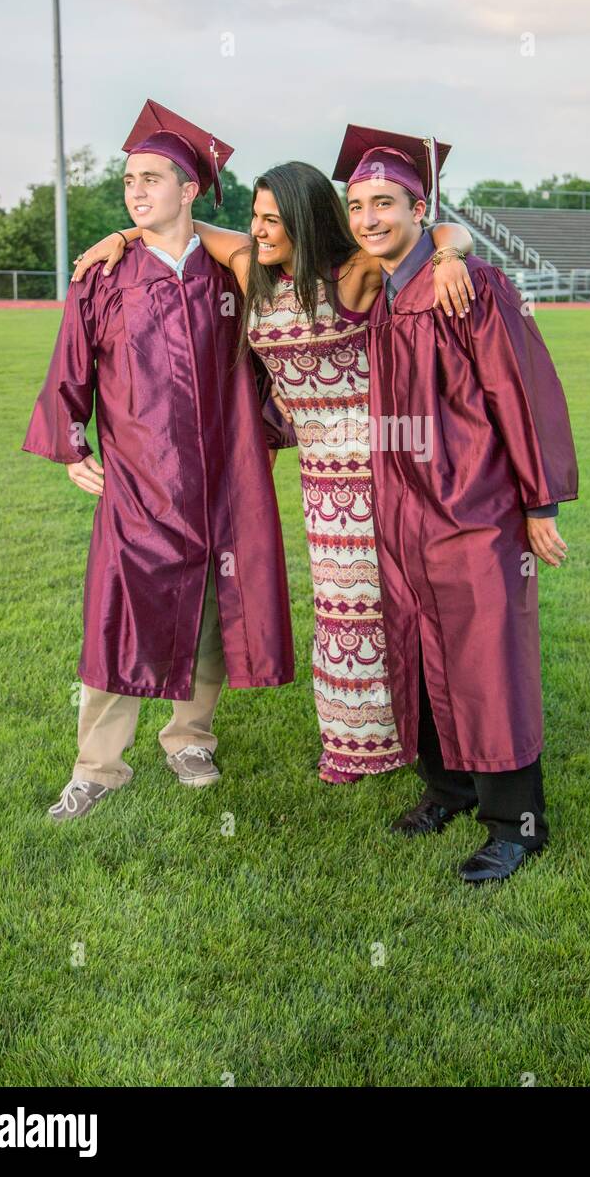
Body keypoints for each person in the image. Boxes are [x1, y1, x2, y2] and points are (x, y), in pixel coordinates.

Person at [72, 156, 475, 784]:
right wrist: (124, 235)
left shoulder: (353, 275)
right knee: (341, 615)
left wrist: (451, 255)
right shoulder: (251, 269)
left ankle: (435, 748)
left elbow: (438, 235)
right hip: (322, 481)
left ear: (307, 221)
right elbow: (196, 227)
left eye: (272, 220)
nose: (258, 231)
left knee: (393, 609)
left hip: (379, 469)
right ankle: (357, 746)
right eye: (255, 218)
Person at [23, 100, 294, 821]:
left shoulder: (235, 273)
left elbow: (277, 361)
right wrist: (70, 444)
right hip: (140, 480)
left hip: (224, 476)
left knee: (209, 608)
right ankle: (97, 766)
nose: (136, 193)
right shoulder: (105, 274)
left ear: (190, 189)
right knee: (117, 614)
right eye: (128, 183)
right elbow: (68, 367)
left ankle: (189, 737)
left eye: (151, 179)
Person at [334, 123, 579, 884]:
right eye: (357, 205)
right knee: (423, 644)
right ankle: (450, 788)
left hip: (473, 506)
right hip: (403, 512)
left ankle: (517, 824)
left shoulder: (471, 286)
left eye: (384, 203)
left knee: (486, 654)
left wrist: (539, 505)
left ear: (419, 207)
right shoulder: (384, 291)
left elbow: (522, 393)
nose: (369, 217)